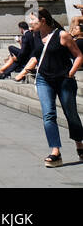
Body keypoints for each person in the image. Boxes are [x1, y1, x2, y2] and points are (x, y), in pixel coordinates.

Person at [29, 10, 83, 167]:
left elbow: (79, 55)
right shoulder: (36, 36)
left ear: (43, 20)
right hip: (44, 80)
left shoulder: (62, 35)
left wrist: (70, 74)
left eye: (33, 20)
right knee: (48, 115)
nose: (31, 23)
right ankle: (55, 152)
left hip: (64, 80)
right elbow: (35, 55)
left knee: (71, 114)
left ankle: (79, 145)